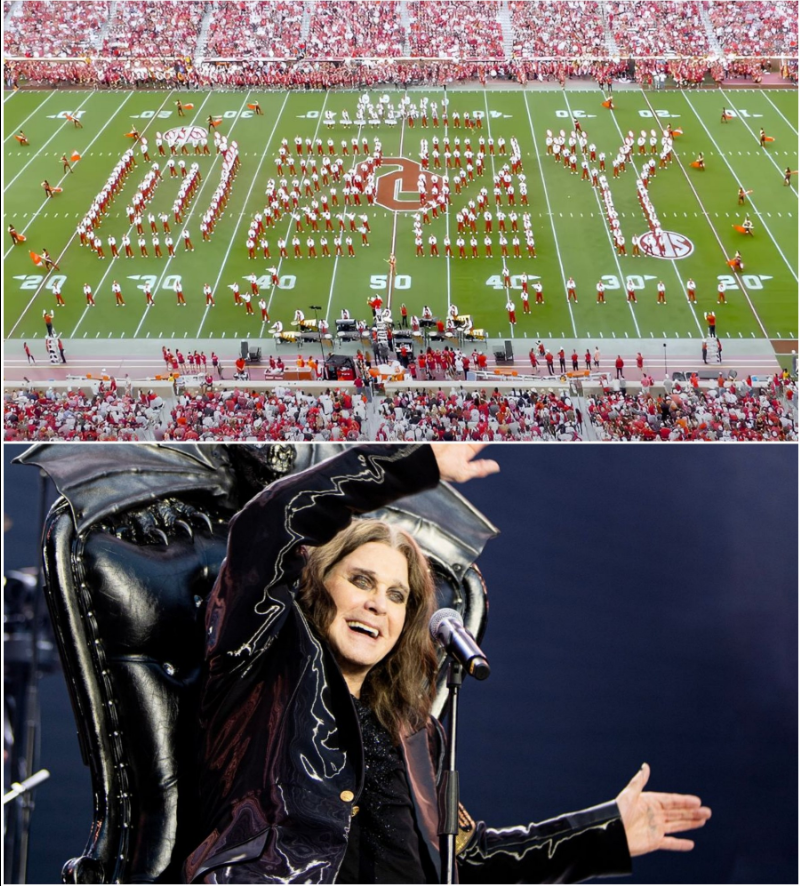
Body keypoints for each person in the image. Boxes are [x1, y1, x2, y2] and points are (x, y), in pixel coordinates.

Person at [184, 445, 710, 884]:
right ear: (318, 584)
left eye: (398, 596)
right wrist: (411, 463)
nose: (378, 605)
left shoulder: (416, 733)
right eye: (362, 581)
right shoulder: (259, 660)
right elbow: (265, 524)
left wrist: (605, 834)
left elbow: (466, 860)